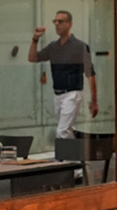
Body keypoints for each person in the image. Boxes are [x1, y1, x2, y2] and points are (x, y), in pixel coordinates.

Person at [28, 10, 97, 138]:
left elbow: (90, 74)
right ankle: (74, 155)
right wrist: (35, 39)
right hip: (58, 94)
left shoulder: (80, 46)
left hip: (73, 93)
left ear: (69, 24)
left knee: (62, 131)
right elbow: (32, 58)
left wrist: (94, 102)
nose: (57, 24)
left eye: (61, 21)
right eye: (55, 21)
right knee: (67, 130)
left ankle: (64, 157)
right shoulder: (53, 47)